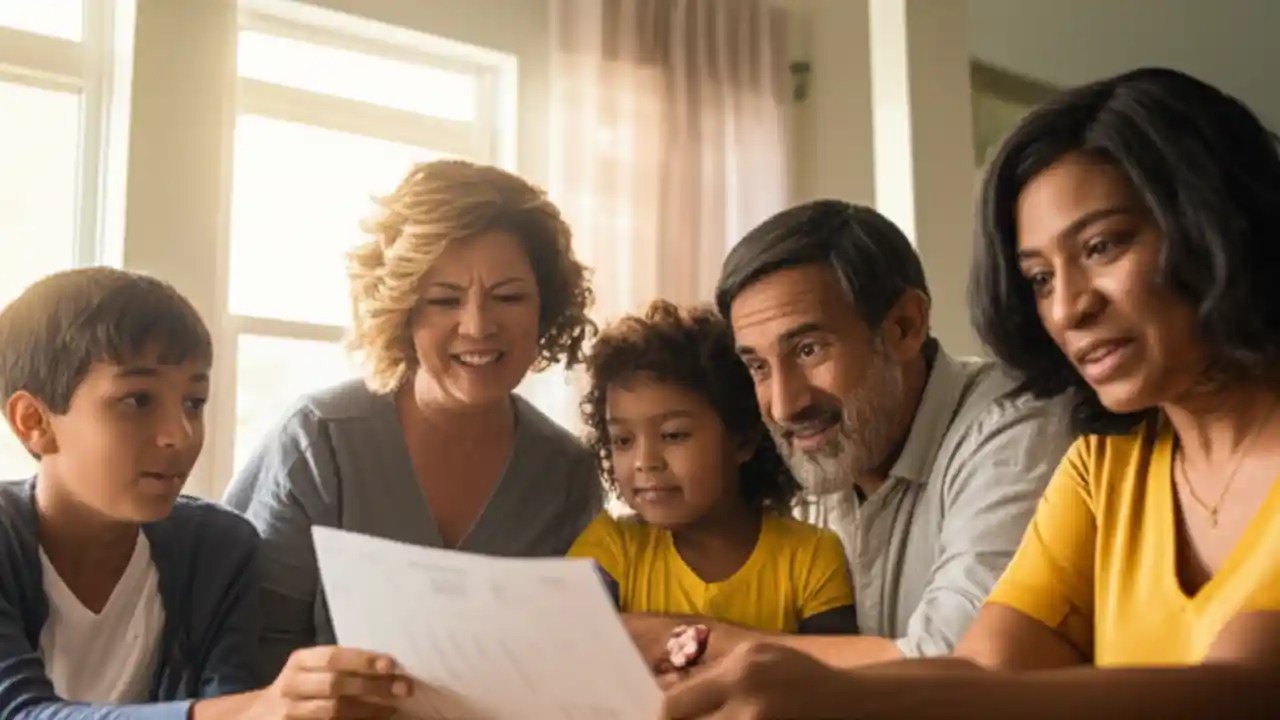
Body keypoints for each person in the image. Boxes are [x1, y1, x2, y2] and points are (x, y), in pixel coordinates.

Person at [661, 67, 1280, 718]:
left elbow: (1244, 688)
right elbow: (984, 671)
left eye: (1102, 247)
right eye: (1040, 279)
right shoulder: (1103, 471)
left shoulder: (1017, 430)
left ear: (1218, 220)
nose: (1068, 307)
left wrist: (832, 689)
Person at [626, 199, 1075, 670]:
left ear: (905, 326)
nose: (784, 405)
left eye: (807, 349)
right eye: (757, 366)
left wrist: (696, 640)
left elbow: (955, 668)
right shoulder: (807, 450)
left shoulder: (1014, 427)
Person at [224, 160, 603, 678]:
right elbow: (250, 651)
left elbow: (569, 657)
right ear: (403, 310)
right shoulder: (321, 440)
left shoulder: (565, 473)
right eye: (445, 299)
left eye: (509, 297)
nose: (477, 326)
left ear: (546, 306)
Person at [0, 268, 411, 719]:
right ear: (33, 421)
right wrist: (255, 710)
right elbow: (18, 711)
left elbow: (234, 700)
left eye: (194, 402)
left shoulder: (219, 548)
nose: (180, 434)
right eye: (138, 401)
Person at [568, 300, 857, 644]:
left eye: (673, 435)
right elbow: (564, 644)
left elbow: (834, 680)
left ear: (743, 440)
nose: (645, 461)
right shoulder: (611, 548)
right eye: (623, 440)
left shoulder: (811, 558)